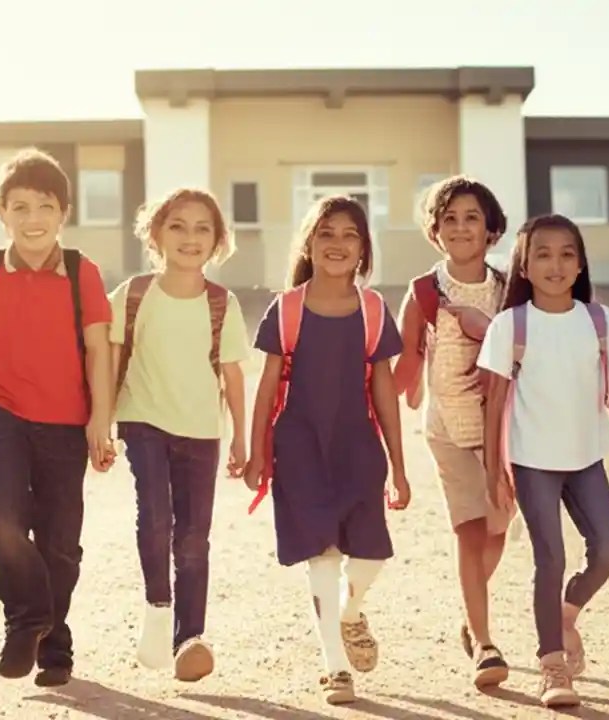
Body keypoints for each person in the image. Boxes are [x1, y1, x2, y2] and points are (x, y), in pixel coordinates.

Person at [0, 147, 114, 687]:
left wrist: (101, 418)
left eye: (45, 206)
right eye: (20, 207)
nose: (32, 219)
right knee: (4, 517)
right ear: (2, 214)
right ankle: (26, 619)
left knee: (60, 540)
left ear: (64, 213)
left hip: (65, 419)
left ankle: (55, 647)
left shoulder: (83, 272)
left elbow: (100, 350)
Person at [476, 214, 609, 708]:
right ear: (524, 264)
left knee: (607, 551)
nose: (555, 264)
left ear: (580, 263)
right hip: (532, 461)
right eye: (542, 253)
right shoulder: (510, 326)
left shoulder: (600, 322)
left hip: (586, 460)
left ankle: (564, 614)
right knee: (550, 557)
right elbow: (494, 403)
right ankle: (552, 666)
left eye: (566, 253)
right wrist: (493, 474)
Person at [243, 195, 410, 706]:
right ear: (309, 244)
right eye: (326, 233)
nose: (337, 244)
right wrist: (257, 452)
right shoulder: (286, 308)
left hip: (358, 445)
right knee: (320, 554)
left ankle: (351, 611)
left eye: (349, 235)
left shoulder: (374, 309)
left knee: (368, 556)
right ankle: (335, 665)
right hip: (299, 446)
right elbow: (268, 385)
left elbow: (384, 389)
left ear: (364, 249)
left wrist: (399, 467)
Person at [109, 188, 250, 683]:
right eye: (178, 226)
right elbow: (105, 359)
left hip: (200, 431)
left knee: (193, 538)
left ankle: (190, 637)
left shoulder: (222, 303)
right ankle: (158, 608)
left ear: (216, 241)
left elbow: (233, 374)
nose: (190, 237)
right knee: (155, 516)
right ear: (156, 234)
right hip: (142, 420)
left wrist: (240, 439)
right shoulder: (133, 294)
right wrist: (98, 425)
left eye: (202, 228)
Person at [392, 175, 513, 689]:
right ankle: (485, 643)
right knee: (469, 526)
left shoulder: (512, 289)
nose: (461, 227)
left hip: (504, 427)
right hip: (447, 426)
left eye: (472, 218)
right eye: (449, 219)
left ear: (491, 230)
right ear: (434, 232)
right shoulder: (422, 292)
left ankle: (470, 610)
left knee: (499, 528)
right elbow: (403, 366)